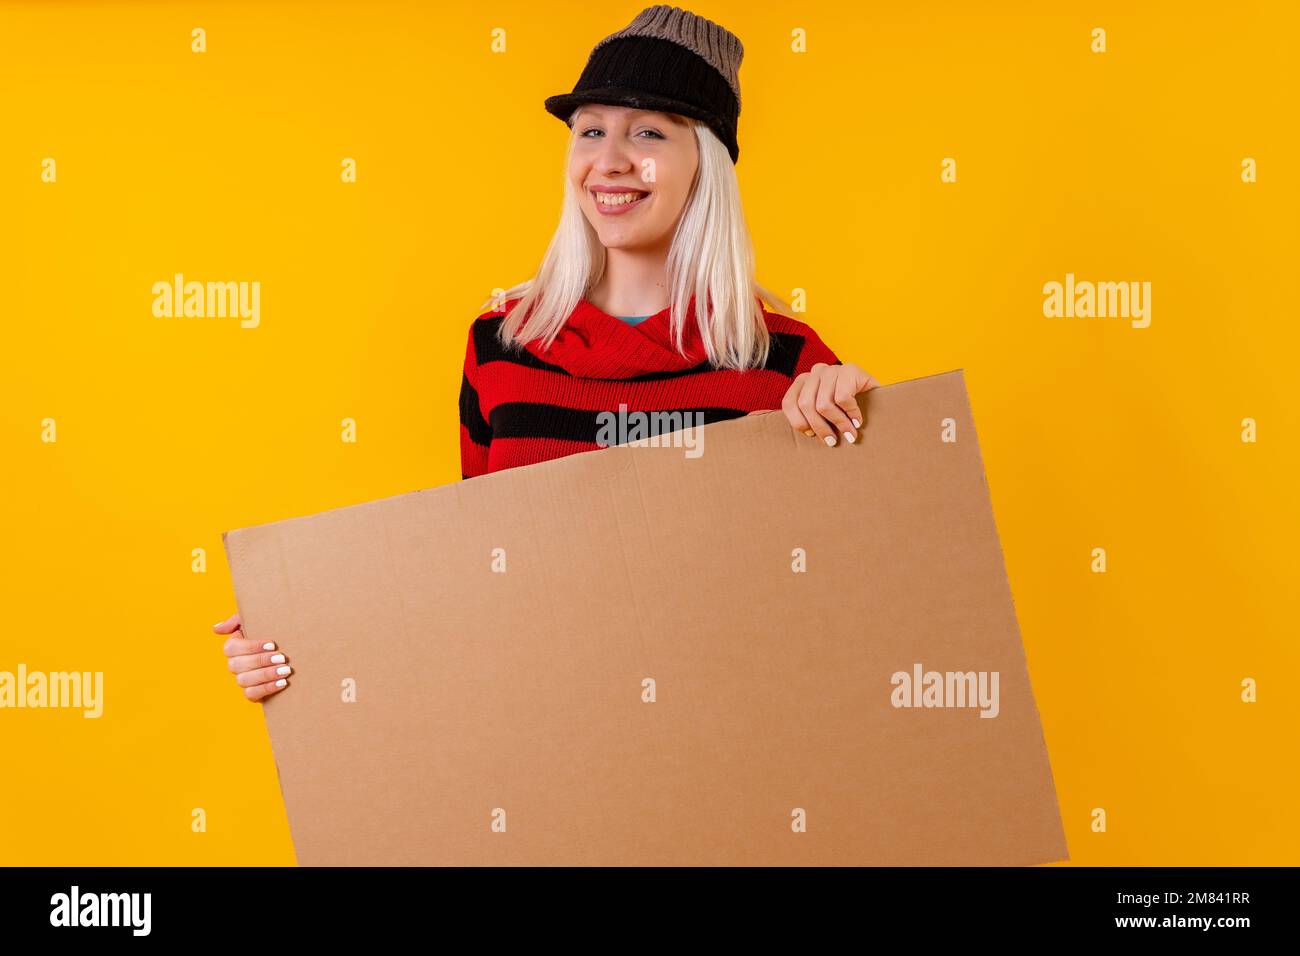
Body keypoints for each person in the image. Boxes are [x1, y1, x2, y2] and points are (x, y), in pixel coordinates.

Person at [218, 4, 880, 700]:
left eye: (649, 131)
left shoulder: (784, 360)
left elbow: (861, 589)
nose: (610, 160)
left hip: (728, 746)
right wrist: (307, 625)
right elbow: (478, 580)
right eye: (590, 130)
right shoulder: (501, 346)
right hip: (555, 749)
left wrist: (865, 412)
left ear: (706, 163)